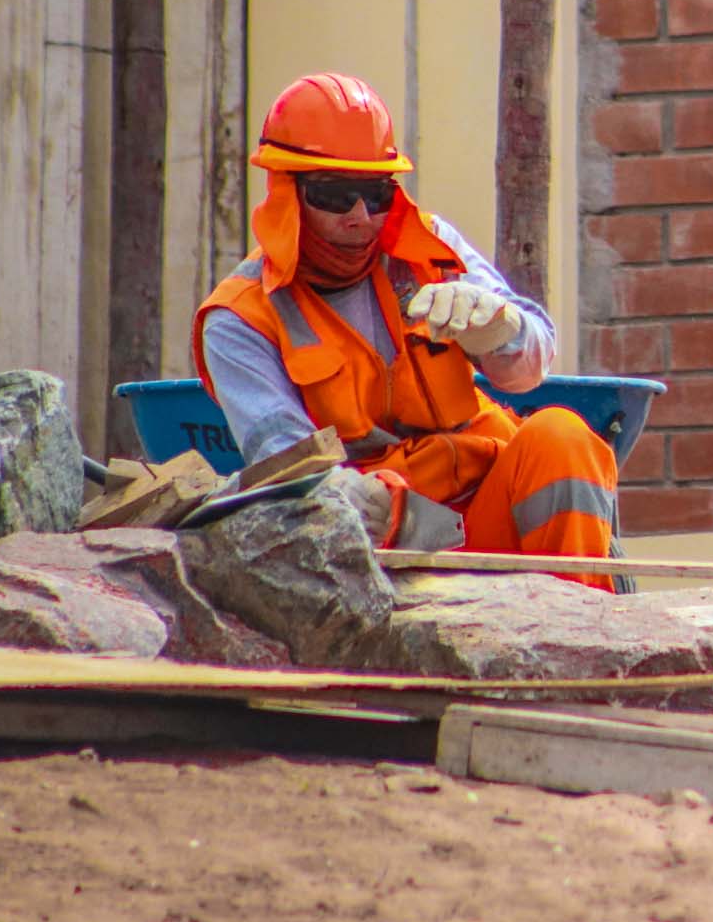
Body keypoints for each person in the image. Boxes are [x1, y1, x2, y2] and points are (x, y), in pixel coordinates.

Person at [192, 72, 624, 590]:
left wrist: (501, 330)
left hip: (486, 503)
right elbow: (289, 468)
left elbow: (530, 368)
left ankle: (583, 635)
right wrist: (362, 500)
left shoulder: (428, 246)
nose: (360, 216)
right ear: (287, 192)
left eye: (375, 193)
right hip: (380, 552)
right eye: (335, 194)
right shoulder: (241, 318)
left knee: (562, 437)